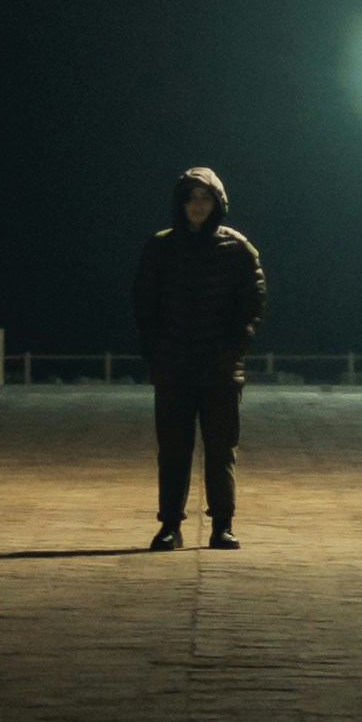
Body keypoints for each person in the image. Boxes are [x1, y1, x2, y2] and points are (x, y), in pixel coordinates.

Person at [131, 164, 265, 549]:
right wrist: (154, 350)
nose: (197, 205)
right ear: (181, 203)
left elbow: (252, 306)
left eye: (205, 198)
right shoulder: (160, 246)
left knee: (221, 452)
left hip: (220, 370)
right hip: (172, 368)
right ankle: (170, 526)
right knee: (173, 452)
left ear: (217, 203)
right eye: (191, 198)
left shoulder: (238, 249)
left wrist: (235, 349)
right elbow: (144, 302)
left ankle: (222, 524)